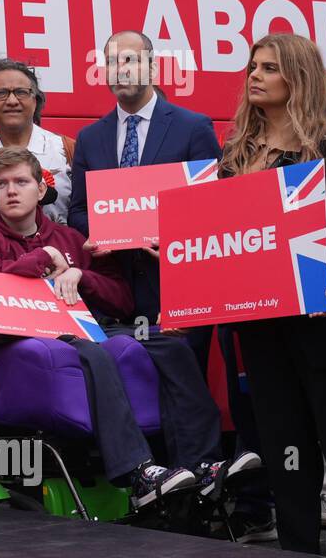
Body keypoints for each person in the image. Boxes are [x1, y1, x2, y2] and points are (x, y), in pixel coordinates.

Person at [0, 148, 242, 508]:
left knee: (170, 346)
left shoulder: (70, 237)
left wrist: (81, 274)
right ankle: (137, 473)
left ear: (41, 190)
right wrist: (44, 258)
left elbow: (121, 300)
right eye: (0, 184)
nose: (10, 191)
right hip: (27, 333)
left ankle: (202, 464)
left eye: (21, 181)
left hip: (93, 326)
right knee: (95, 352)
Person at [220, 34, 326, 558]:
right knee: (286, 451)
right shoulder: (235, 154)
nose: (256, 75)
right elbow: (220, 236)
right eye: (252, 66)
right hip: (262, 324)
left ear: (297, 77)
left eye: (270, 68)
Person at [68, 30, 223, 372]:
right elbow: (77, 211)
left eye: (131, 60)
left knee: (184, 389)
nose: (121, 69)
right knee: (131, 390)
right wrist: (102, 234)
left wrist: (174, 238)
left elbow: (217, 207)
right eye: (112, 62)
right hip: (115, 289)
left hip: (178, 286)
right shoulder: (91, 138)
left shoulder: (193, 127)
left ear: (151, 68)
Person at [0, 59, 75, 224]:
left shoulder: (69, 150)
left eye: (21, 92)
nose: (12, 101)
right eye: (1, 93)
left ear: (35, 100)